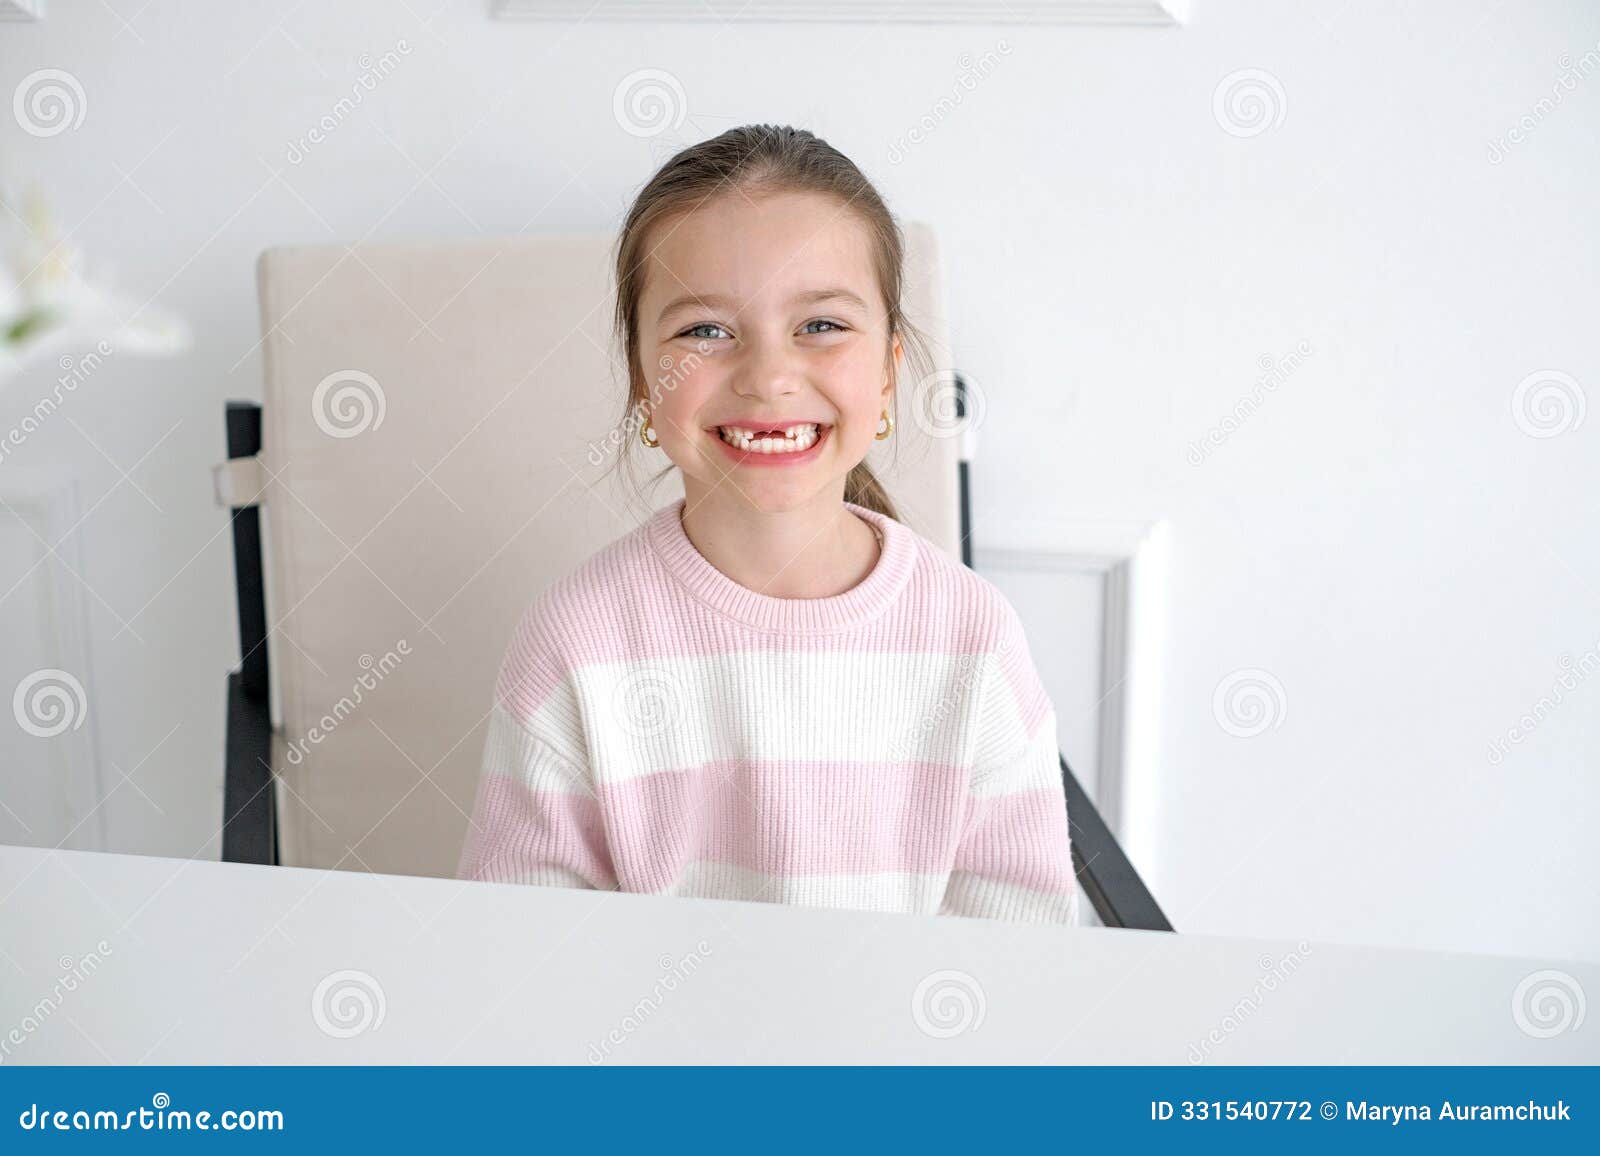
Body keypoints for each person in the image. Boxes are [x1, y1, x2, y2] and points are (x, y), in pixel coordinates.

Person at [455, 123, 1079, 924]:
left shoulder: (972, 635)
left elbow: (1016, 953)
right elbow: (522, 950)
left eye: (821, 325)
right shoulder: (575, 643)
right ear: (644, 378)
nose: (769, 377)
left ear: (889, 373)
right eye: (705, 331)